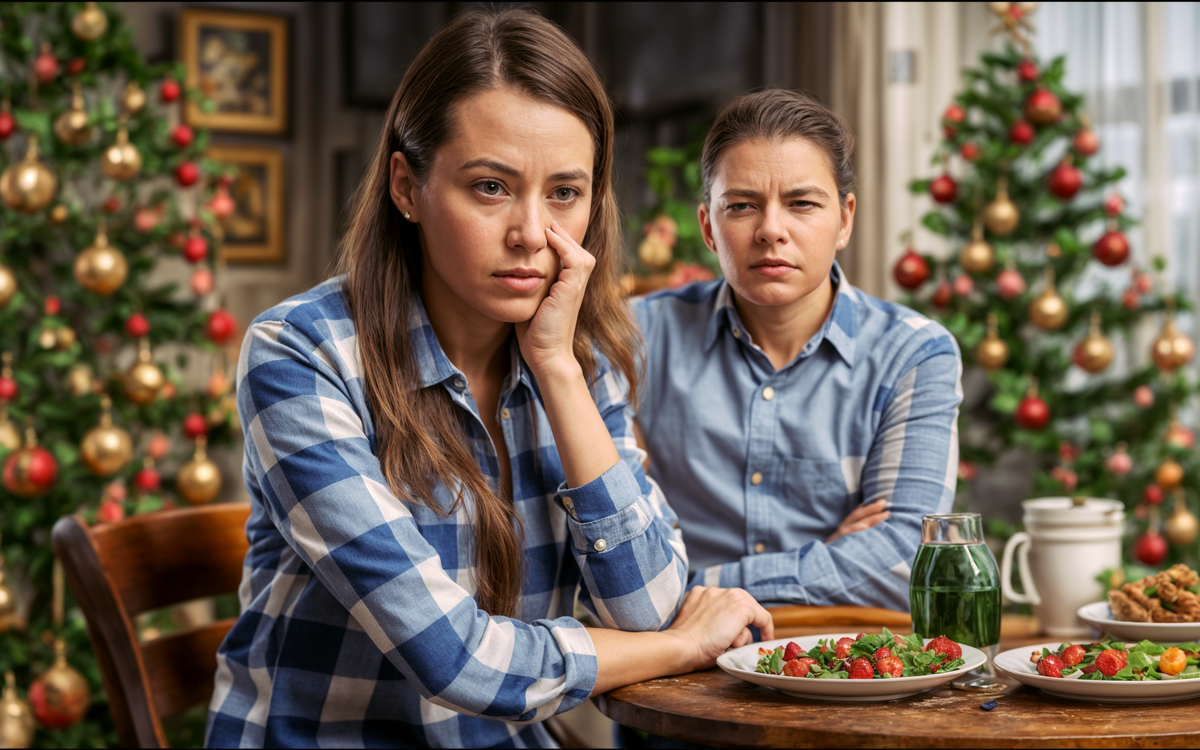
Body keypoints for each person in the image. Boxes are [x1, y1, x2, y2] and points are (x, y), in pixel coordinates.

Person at [206, 10, 772, 749]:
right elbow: (456, 659)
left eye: (564, 193)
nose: (533, 234)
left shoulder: (578, 356)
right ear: (407, 187)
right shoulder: (302, 353)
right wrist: (683, 649)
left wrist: (559, 373)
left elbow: (650, 607)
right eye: (490, 187)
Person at [632, 89, 963, 611]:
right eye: (741, 207)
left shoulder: (913, 353)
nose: (771, 231)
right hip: (673, 670)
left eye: (802, 203)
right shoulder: (638, 336)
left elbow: (905, 559)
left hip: (837, 669)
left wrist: (691, 585)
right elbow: (605, 558)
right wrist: (829, 558)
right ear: (708, 229)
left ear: (845, 220)